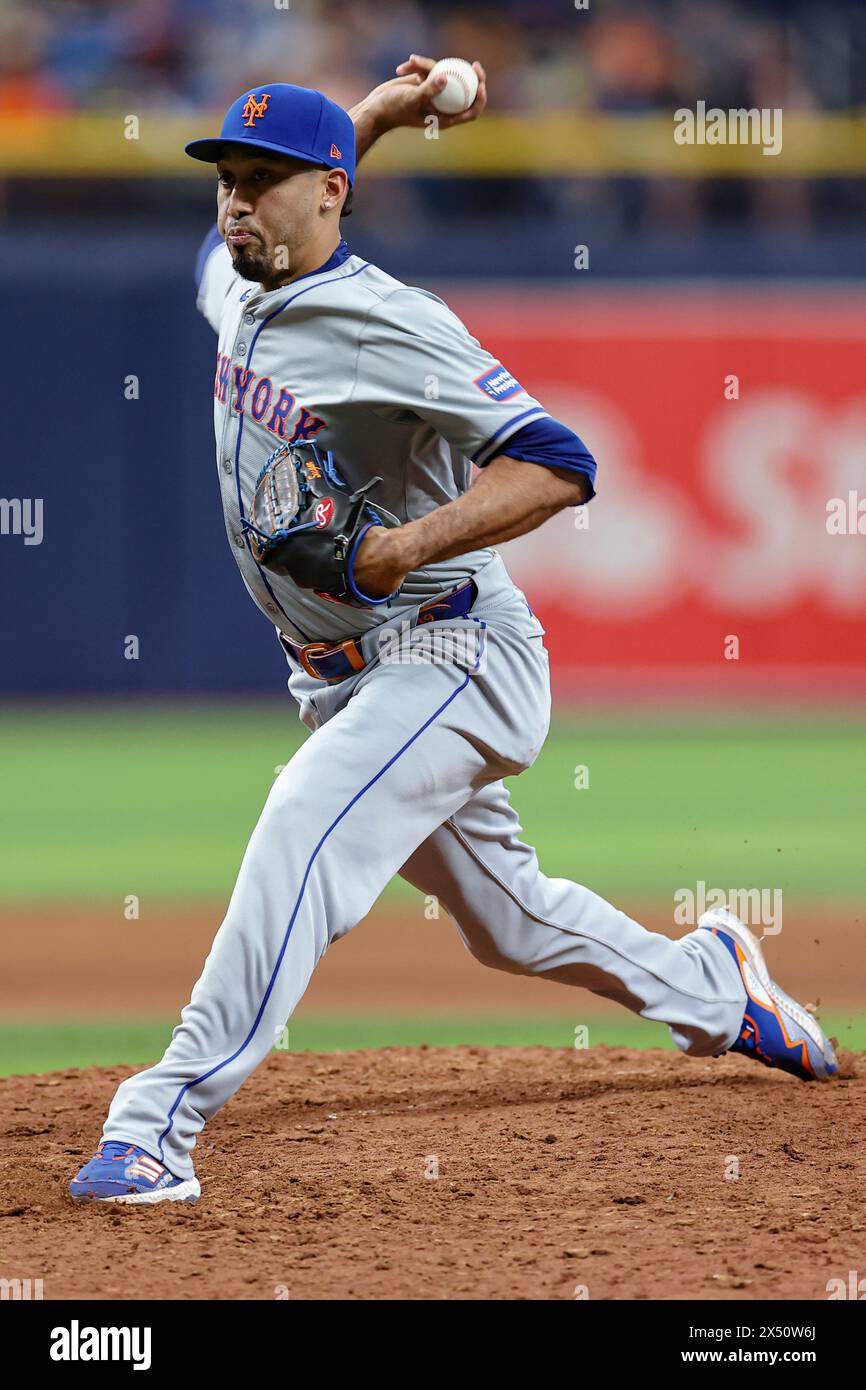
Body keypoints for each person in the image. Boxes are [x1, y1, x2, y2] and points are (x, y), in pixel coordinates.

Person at [70, 56, 836, 1207]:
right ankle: (718, 986)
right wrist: (372, 115)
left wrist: (395, 549)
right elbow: (251, 229)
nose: (235, 200)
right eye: (225, 177)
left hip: (449, 645)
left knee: (303, 822)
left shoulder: (391, 323)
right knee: (508, 923)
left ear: (326, 194)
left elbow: (560, 464)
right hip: (340, 673)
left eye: (264, 179)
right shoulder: (241, 281)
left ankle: (159, 1122)